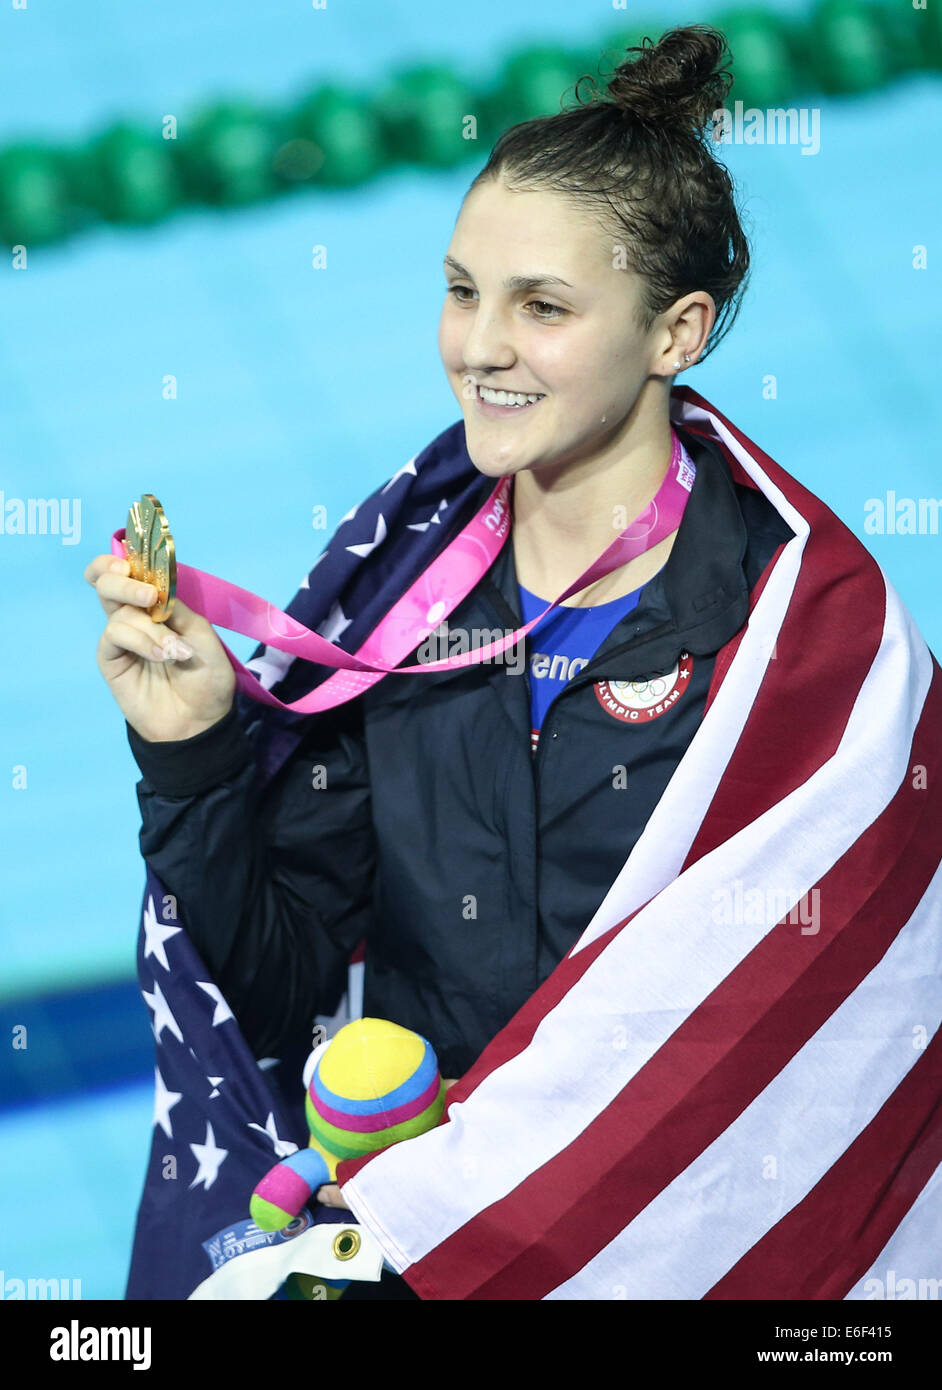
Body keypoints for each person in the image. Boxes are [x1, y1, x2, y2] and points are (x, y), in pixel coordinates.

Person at [84, 26, 939, 1301]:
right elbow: (275, 991)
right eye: (461, 288)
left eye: (541, 307)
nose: (477, 347)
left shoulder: (800, 663)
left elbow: (826, 1053)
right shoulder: (399, 606)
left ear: (677, 331)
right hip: (432, 1255)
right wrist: (194, 753)